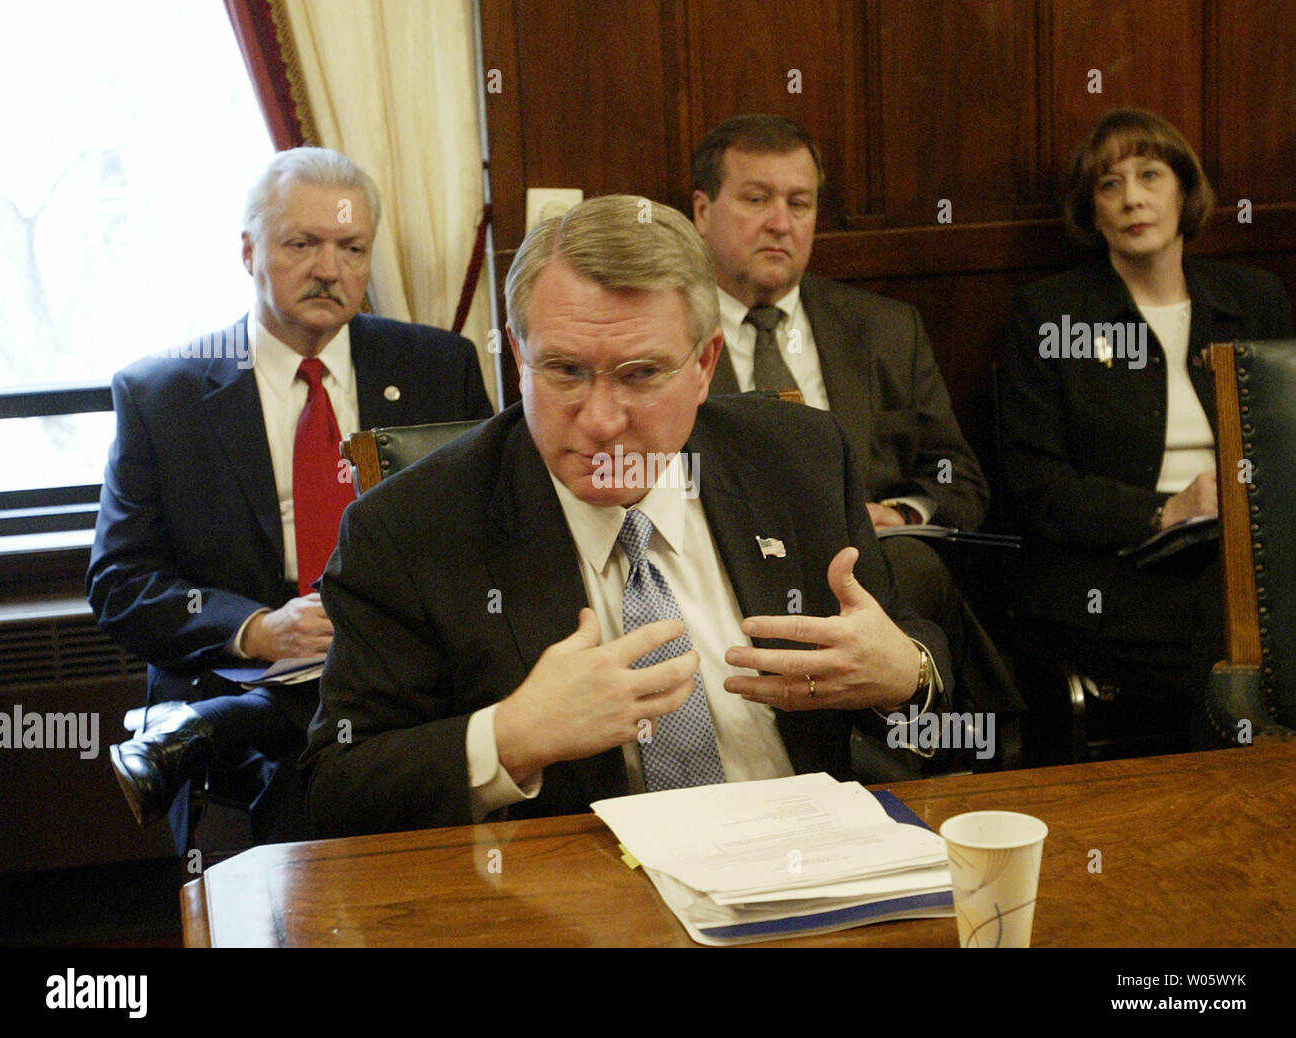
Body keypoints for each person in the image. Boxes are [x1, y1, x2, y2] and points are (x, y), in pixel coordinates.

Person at [301, 195, 952, 838]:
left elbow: (910, 661)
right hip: (574, 907)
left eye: (640, 374)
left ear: (704, 365)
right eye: (565, 371)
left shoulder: (798, 458)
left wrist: (909, 674)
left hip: (805, 870)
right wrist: (510, 738)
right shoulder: (409, 529)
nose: (602, 420)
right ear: (519, 359)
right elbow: (334, 789)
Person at [89, 147, 493, 847]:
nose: (329, 270)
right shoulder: (165, 394)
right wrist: (256, 629)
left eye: (351, 248)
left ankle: (211, 731)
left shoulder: (437, 366)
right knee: (304, 777)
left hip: (403, 662)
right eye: (302, 244)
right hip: (243, 665)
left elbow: (493, 530)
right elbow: (122, 583)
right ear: (249, 251)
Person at [691, 114, 1016, 762]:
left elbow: (961, 479)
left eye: (800, 202)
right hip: (732, 595)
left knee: (913, 569)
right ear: (702, 210)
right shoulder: (671, 342)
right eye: (756, 199)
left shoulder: (882, 330)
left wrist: (893, 513)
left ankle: (961, 751)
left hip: (877, 593)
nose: (780, 221)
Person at [1000, 108, 1294, 748]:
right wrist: (1166, 509)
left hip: (1249, 556)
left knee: (1248, 611)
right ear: (1092, 210)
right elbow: (1035, 483)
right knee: (1229, 635)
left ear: (1184, 190)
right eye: (1109, 184)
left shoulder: (1256, 299)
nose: (1132, 197)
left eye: (1150, 175)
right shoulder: (1051, 314)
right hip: (1109, 572)